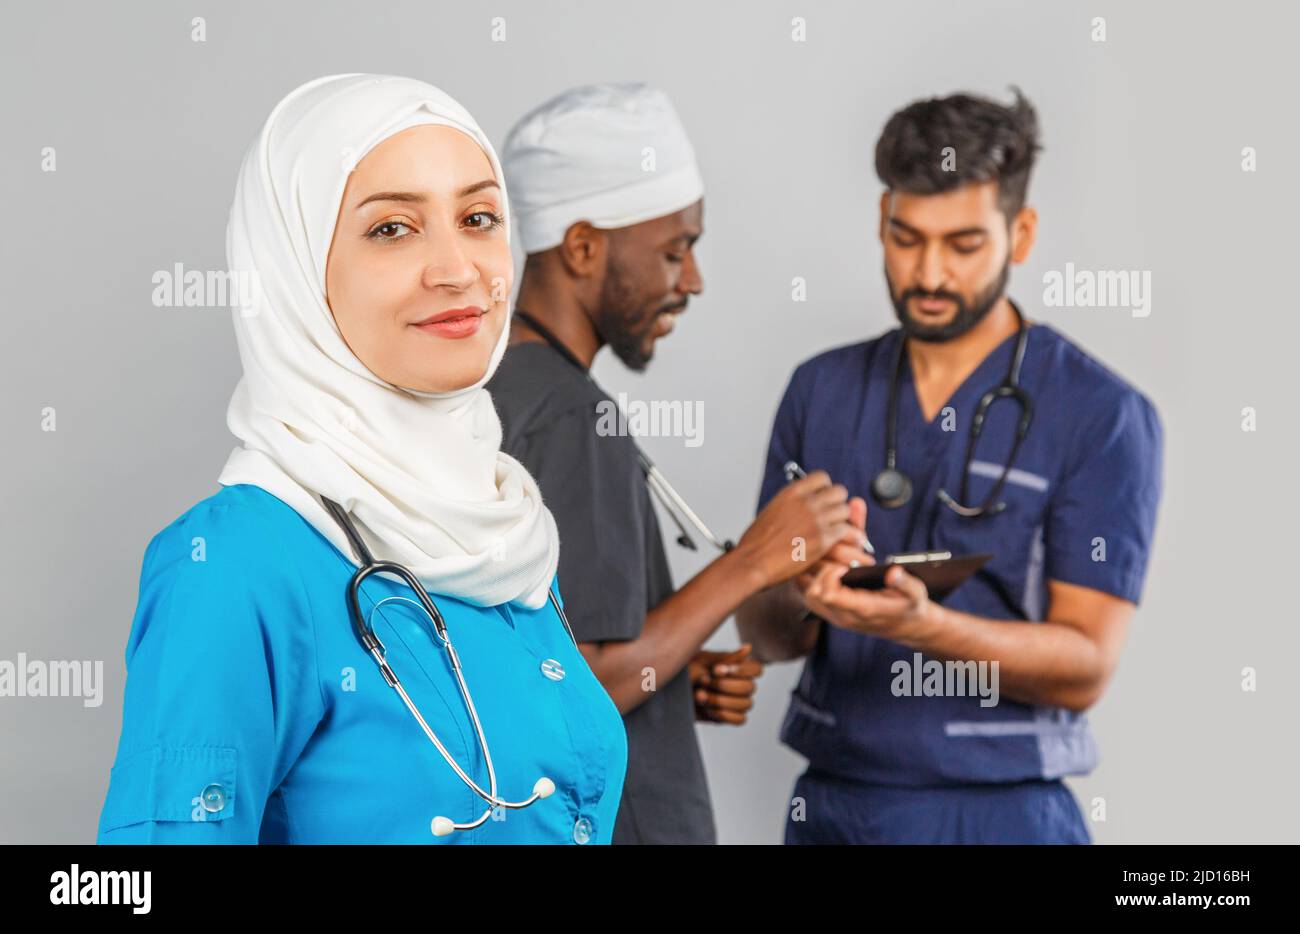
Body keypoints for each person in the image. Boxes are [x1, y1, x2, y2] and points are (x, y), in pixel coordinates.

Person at [96, 74, 626, 844]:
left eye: (478, 218)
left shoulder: (504, 529)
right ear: (297, 272)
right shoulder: (233, 564)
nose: (457, 269)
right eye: (391, 229)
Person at [736, 88, 1164, 844]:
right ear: (881, 220)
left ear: (1020, 233)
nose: (928, 273)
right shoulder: (821, 391)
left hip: (1002, 815)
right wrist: (800, 588)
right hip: (835, 808)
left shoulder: (1100, 414)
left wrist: (925, 626)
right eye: (906, 238)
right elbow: (771, 639)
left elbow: (1086, 664)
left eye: (963, 245)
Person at [488, 83, 861, 844]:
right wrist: (757, 560)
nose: (692, 281)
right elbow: (584, 686)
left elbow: (521, 676)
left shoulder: (494, 392)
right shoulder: (572, 417)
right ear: (584, 246)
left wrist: (667, 682)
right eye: (674, 250)